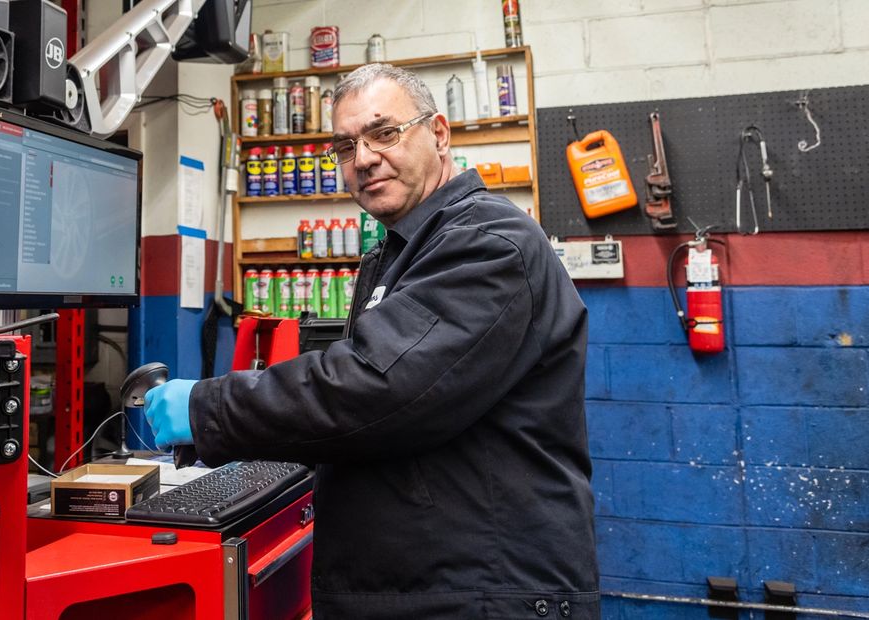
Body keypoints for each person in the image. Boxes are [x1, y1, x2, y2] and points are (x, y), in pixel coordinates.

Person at [144, 63, 599, 619]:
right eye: (345, 145)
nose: (362, 158)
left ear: (438, 134)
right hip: (434, 584)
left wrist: (206, 408)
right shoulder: (403, 251)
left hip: (480, 593)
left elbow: (374, 388)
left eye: (384, 133)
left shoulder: (486, 244)